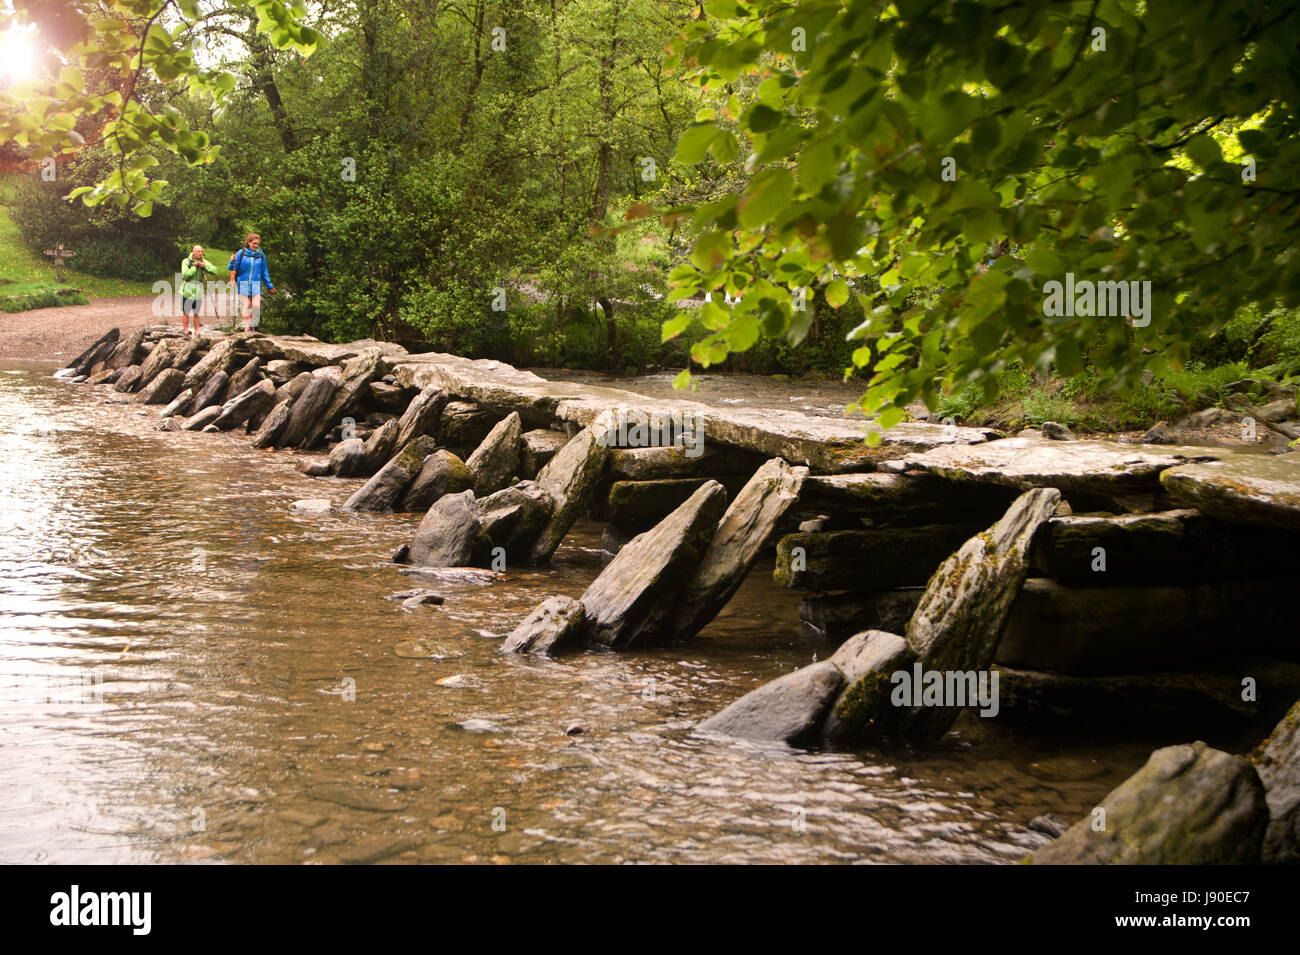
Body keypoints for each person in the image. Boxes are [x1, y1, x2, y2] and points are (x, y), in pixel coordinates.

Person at [227, 233, 275, 333]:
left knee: (256, 305)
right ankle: (247, 327)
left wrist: (269, 286)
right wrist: (232, 261)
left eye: (257, 243)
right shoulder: (242, 253)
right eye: (254, 243)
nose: (256, 245)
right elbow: (232, 268)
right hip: (243, 282)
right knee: (246, 305)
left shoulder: (261, 255)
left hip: (256, 284)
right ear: (248, 243)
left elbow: (264, 271)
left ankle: (253, 325)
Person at [179, 245, 219, 336]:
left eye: (201, 252)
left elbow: (216, 271)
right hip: (187, 289)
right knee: (186, 311)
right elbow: (185, 275)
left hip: (198, 290)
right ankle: (185, 330)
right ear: (193, 252)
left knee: (196, 312)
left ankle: (197, 331)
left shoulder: (204, 262)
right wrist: (194, 267)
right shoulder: (186, 261)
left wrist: (205, 266)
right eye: (198, 251)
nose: (200, 253)